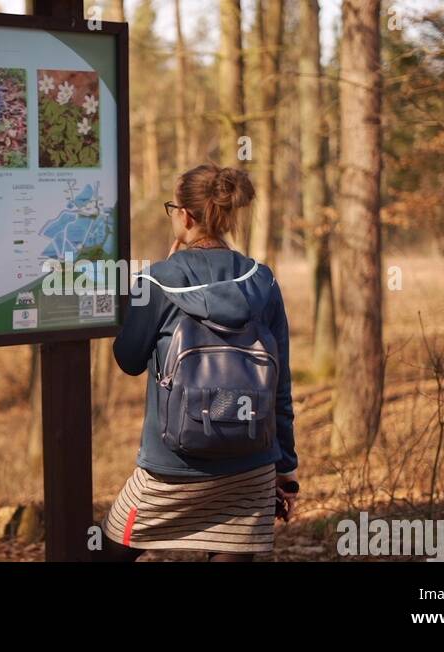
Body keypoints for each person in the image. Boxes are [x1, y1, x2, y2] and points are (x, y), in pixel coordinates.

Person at [95, 163, 298, 562]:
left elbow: (129, 359)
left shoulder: (157, 281)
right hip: (252, 465)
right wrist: (285, 470)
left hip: (172, 465)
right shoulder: (264, 281)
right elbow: (280, 386)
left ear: (185, 216)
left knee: (103, 553)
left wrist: (159, 278)